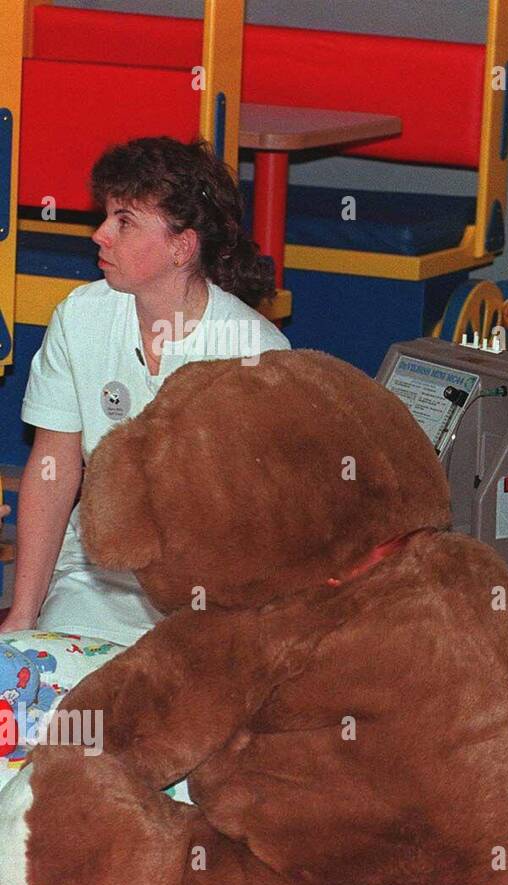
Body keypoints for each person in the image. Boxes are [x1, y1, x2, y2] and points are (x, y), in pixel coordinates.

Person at [0, 136, 291, 644]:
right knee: (61, 697)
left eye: (124, 221)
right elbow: (54, 467)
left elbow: (260, 519)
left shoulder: (254, 348)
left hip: (211, 590)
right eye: (107, 216)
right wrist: (24, 616)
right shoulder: (80, 316)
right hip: (98, 578)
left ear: (181, 247)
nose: (99, 235)